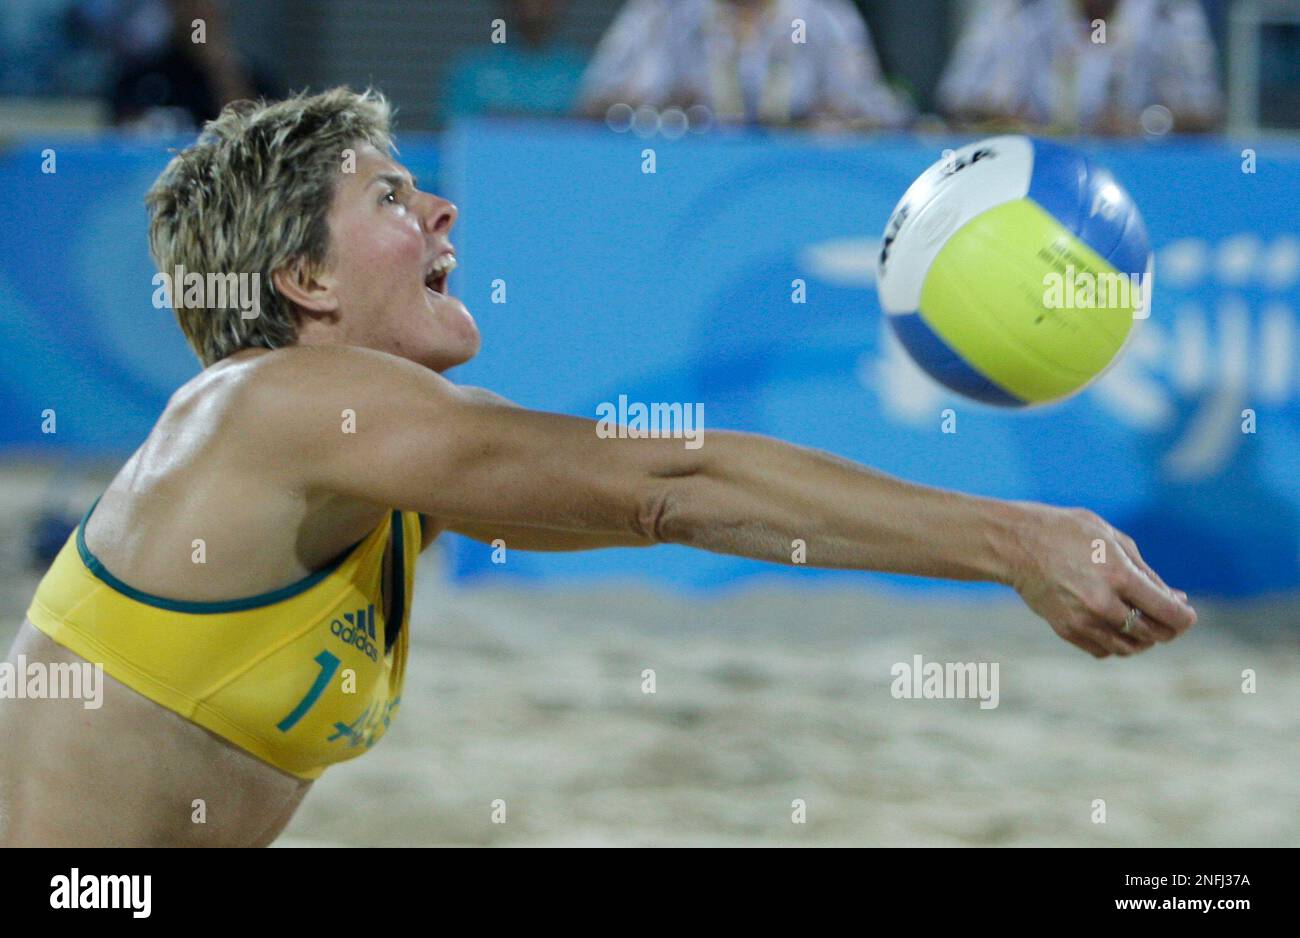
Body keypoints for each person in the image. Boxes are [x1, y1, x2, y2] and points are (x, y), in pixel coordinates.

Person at [0, 87, 1196, 847]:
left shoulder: (385, 486)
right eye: (391, 195)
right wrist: (1015, 540)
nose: (444, 209)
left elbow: (678, 509)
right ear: (303, 281)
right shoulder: (271, 406)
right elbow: (669, 483)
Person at [578, 0, 911, 129]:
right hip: (681, 180)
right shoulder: (662, 12)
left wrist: (836, 116)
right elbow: (590, 108)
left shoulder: (823, 16)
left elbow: (883, 113)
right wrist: (657, 108)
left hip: (792, 178)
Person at [937, 0, 1223, 135]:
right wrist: (1017, 124)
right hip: (1038, 166)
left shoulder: (1167, 9)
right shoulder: (1018, 6)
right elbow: (959, 100)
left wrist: (1145, 125)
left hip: (1139, 174)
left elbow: (1205, 112)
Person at [443, 0, 588, 120]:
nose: (534, 8)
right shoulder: (472, 73)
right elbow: (454, 136)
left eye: (544, 3)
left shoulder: (586, 74)